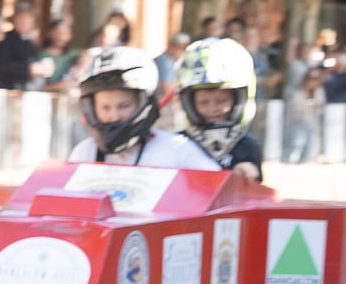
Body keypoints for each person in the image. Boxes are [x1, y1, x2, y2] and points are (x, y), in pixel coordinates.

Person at [66, 46, 216, 167]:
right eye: (105, 108)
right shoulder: (85, 153)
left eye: (124, 106)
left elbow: (214, 186)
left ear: (144, 104)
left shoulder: (178, 150)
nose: (114, 116)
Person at [176, 37, 264, 181]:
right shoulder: (178, 144)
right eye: (204, 102)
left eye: (222, 100)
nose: (213, 108)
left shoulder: (248, 146)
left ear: (239, 99)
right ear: (189, 103)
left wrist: (242, 177)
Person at [0, 0, 51, 91]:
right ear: (15, 20)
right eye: (21, 19)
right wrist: (28, 69)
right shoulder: (6, 40)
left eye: (27, 19)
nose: (24, 22)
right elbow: (3, 66)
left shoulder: (30, 42)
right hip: (12, 89)